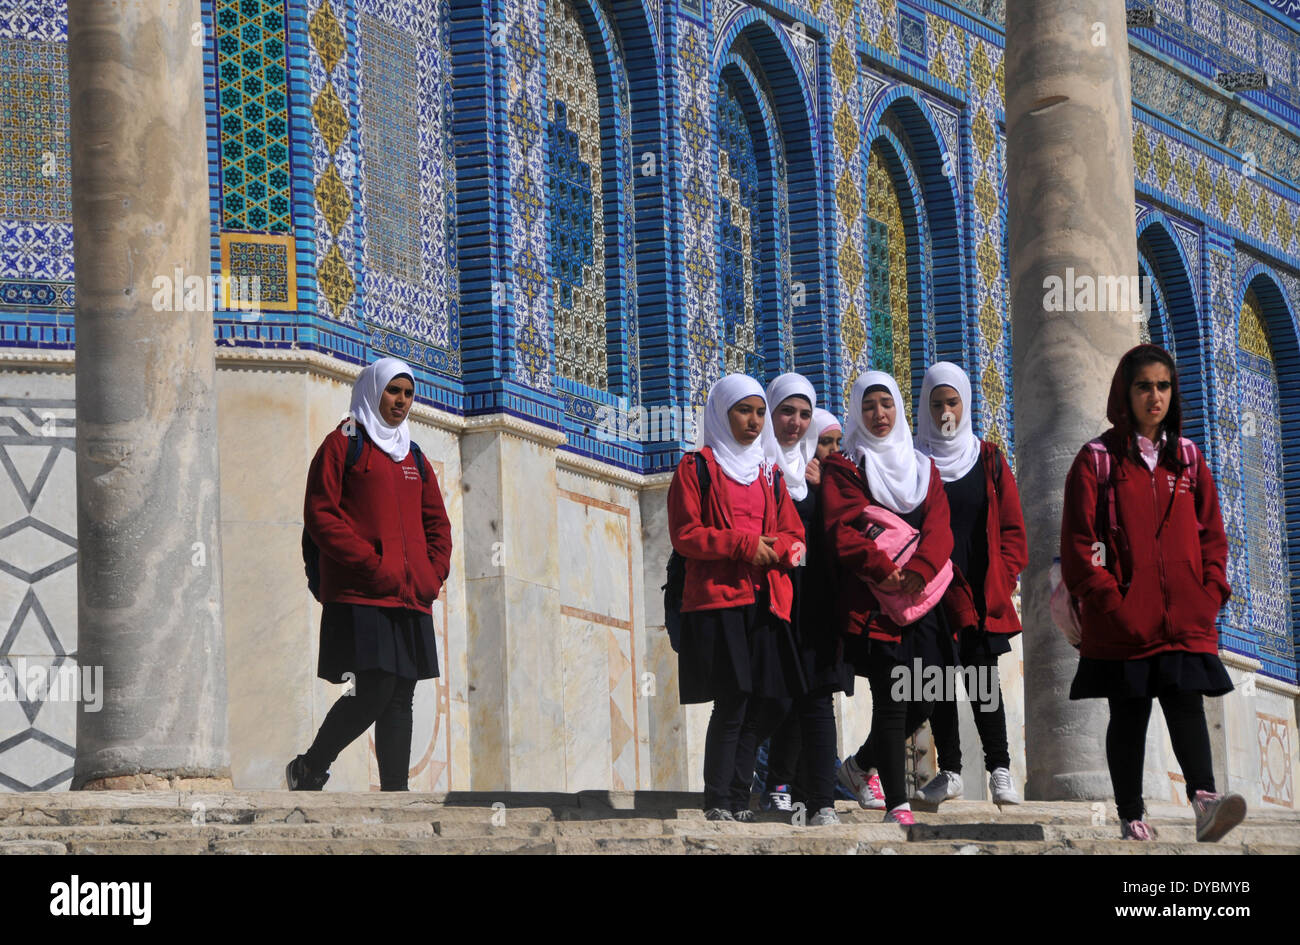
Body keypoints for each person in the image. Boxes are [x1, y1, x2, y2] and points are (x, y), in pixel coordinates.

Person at [1061, 343, 1246, 842]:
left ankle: (1204, 800)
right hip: (1123, 619)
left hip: (1185, 614)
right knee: (1130, 711)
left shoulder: (1186, 457)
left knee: (1185, 700)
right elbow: (1079, 543)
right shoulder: (1096, 460)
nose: (1155, 397)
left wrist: (1211, 591)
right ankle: (1131, 814)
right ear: (1126, 391)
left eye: (1163, 386)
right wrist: (1109, 601)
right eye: (1144, 386)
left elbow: (1213, 534)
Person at [286, 357, 453, 791]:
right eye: (393, 391)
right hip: (363, 592)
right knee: (375, 688)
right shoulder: (345, 442)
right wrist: (370, 563)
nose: (400, 402)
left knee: (401, 694)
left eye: (408, 394)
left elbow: (437, 523)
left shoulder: (412, 453)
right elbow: (320, 513)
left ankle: (395, 794)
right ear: (372, 390)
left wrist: (431, 574)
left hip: (410, 595)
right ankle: (311, 766)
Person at [823, 372, 976, 824]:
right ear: (857, 412)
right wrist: (885, 571)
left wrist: (919, 571)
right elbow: (841, 530)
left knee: (926, 697)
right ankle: (898, 804)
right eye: (869, 406)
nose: (878, 414)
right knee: (892, 699)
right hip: (875, 604)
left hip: (924, 600)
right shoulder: (844, 467)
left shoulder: (922, 467)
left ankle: (856, 767)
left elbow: (940, 527)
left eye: (886, 404)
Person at [666, 374, 808, 822]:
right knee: (733, 699)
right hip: (717, 601)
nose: (754, 421)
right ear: (721, 414)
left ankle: (735, 791)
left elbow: (796, 538)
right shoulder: (697, 468)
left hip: (765, 601)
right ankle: (720, 799)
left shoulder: (769, 473)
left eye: (760, 411)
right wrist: (745, 545)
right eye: (743, 411)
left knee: (774, 698)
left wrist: (778, 549)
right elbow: (685, 535)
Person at [912, 362, 1027, 806]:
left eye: (952, 402)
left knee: (983, 679)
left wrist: (1005, 574)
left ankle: (999, 769)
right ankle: (951, 772)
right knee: (938, 679)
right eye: (936, 403)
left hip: (980, 592)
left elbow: (1014, 529)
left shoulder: (988, 458)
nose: (945, 411)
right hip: (934, 589)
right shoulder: (915, 461)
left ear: (966, 404)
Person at [740, 378, 852, 824]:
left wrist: (826, 489)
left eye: (804, 414)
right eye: (786, 412)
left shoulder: (820, 473)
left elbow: (839, 534)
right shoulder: (758, 466)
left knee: (817, 698)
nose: (795, 423)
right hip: (775, 597)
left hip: (819, 601)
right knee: (779, 693)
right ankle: (775, 788)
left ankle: (822, 801)